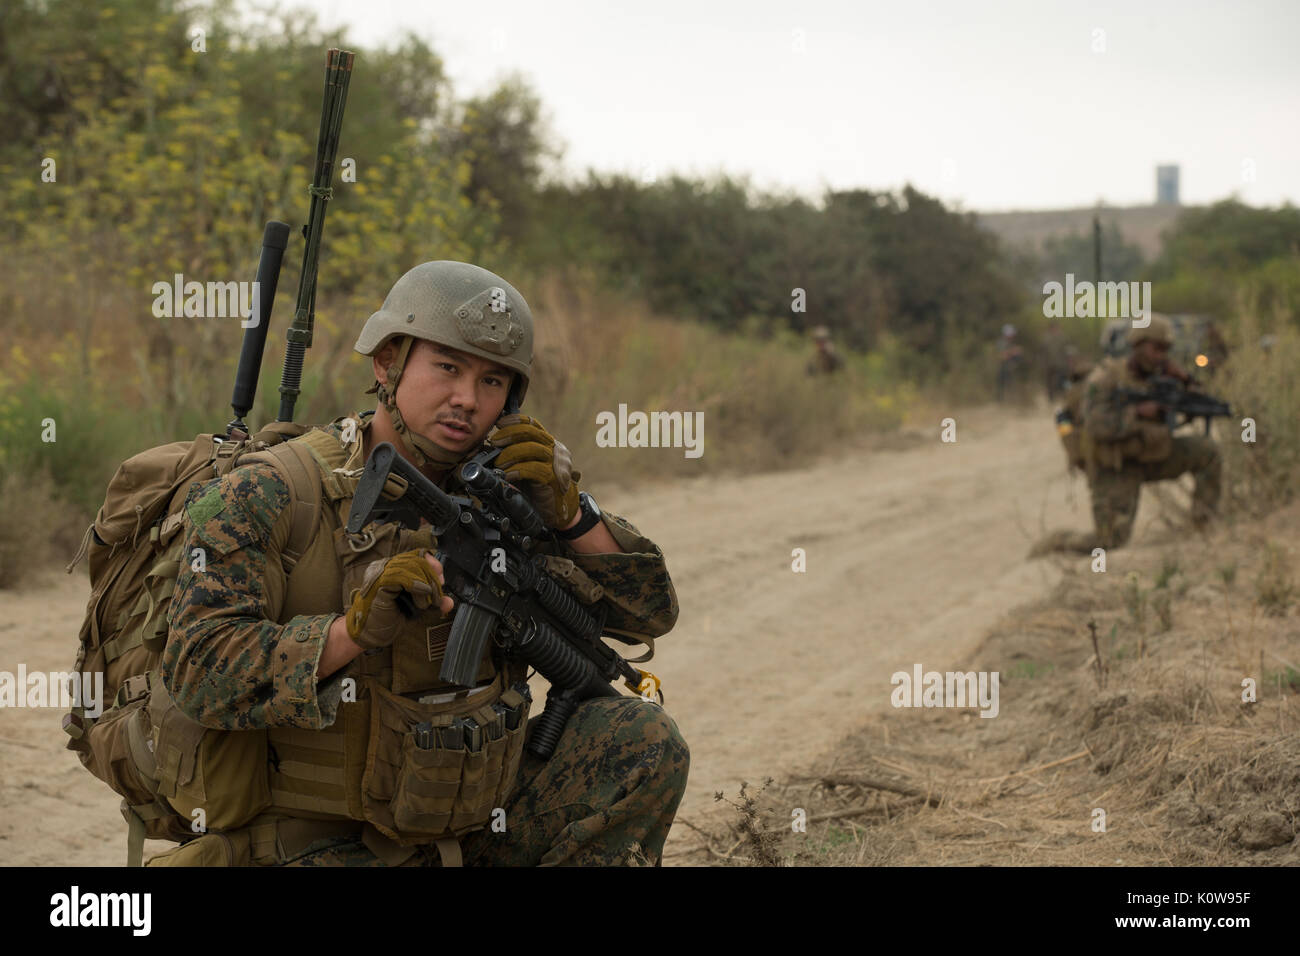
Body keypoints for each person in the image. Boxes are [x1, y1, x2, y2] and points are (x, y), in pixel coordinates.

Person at [154, 260, 688, 866]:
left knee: (642, 741)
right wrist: (349, 633)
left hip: (471, 827)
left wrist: (572, 518)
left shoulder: (501, 494)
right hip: (321, 845)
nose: (467, 399)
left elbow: (648, 617)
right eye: (448, 367)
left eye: (493, 382)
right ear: (387, 362)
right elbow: (197, 671)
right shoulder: (272, 490)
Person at [1031, 314, 1221, 555]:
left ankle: (1203, 528)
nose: (1162, 355)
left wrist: (1185, 379)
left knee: (1208, 452)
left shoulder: (1163, 377)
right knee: (1108, 542)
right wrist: (1139, 413)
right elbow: (1097, 426)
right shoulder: (1105, 378)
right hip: (1116, 467)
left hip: (1152, 456)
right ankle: (1059, 542)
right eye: (1157, 348)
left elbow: (1199, 398)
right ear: (1138, 345)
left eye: (1166, 349)